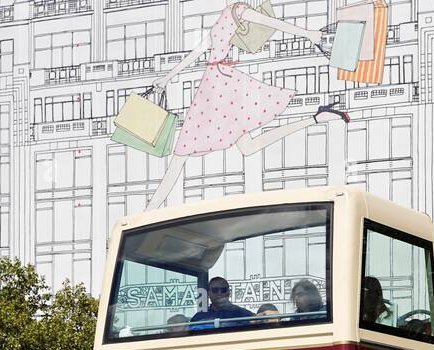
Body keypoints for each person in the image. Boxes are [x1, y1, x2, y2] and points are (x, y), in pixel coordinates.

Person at [145, 3, 350, 210]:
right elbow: (197, 51)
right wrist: (167, 77)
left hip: (217, 89)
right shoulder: (226, 15)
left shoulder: (238, 11)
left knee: (182, 152)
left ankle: (148, 211)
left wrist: (308, 33)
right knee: (247, 147)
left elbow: (272, 23)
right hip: (217, 87)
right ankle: (316, 118)